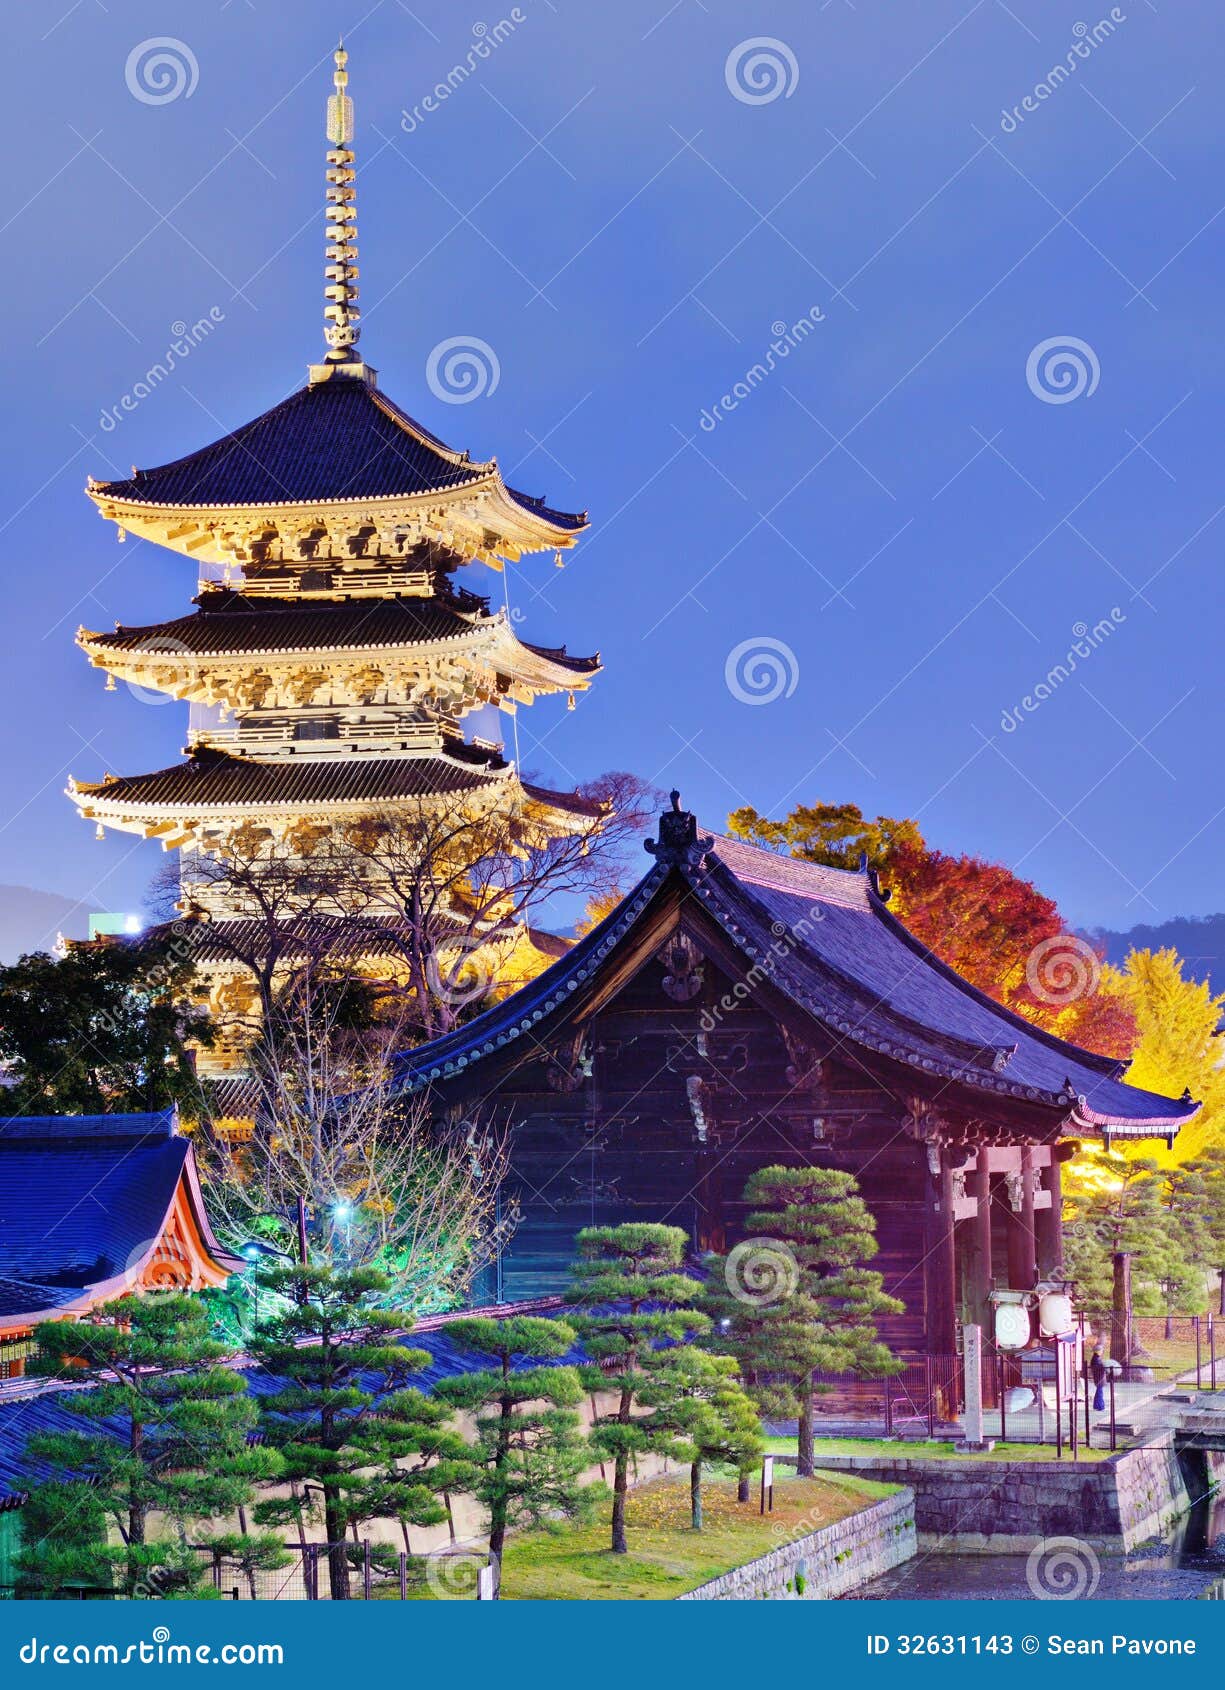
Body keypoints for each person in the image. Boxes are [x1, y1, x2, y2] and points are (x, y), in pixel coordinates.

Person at [1090, 1345, 1107, 1412]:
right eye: (1101, 1350)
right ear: (1098, 1351)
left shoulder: (1096, 1358)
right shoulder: (1096, 1359)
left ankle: (1096, 1405)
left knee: (1098, 1392)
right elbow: (1098, 1368)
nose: (1102, 1351)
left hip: (1099, 1378)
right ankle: (1100, 1406)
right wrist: (1104, 1366)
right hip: (1099, 1378)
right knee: (1100, 1393)